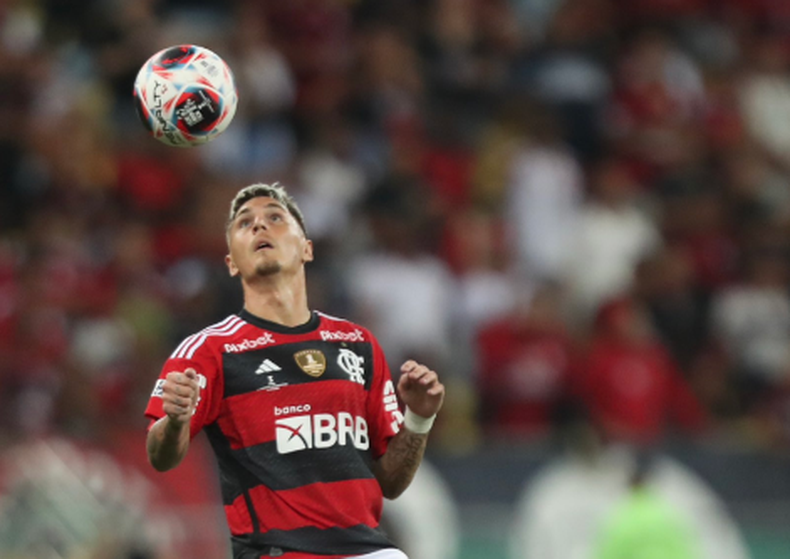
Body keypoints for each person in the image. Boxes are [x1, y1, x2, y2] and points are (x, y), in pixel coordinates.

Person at [144, 183, 445, 559]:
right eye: (244, 223)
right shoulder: (209, 351)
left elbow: (391, 482)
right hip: (280, 551)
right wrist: (173, 421)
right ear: (231, 262)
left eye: (275, 217)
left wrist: (418, 418)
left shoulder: (358, 344)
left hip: (370, 551)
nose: (259, 227)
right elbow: (160, 456)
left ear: (307, 248)